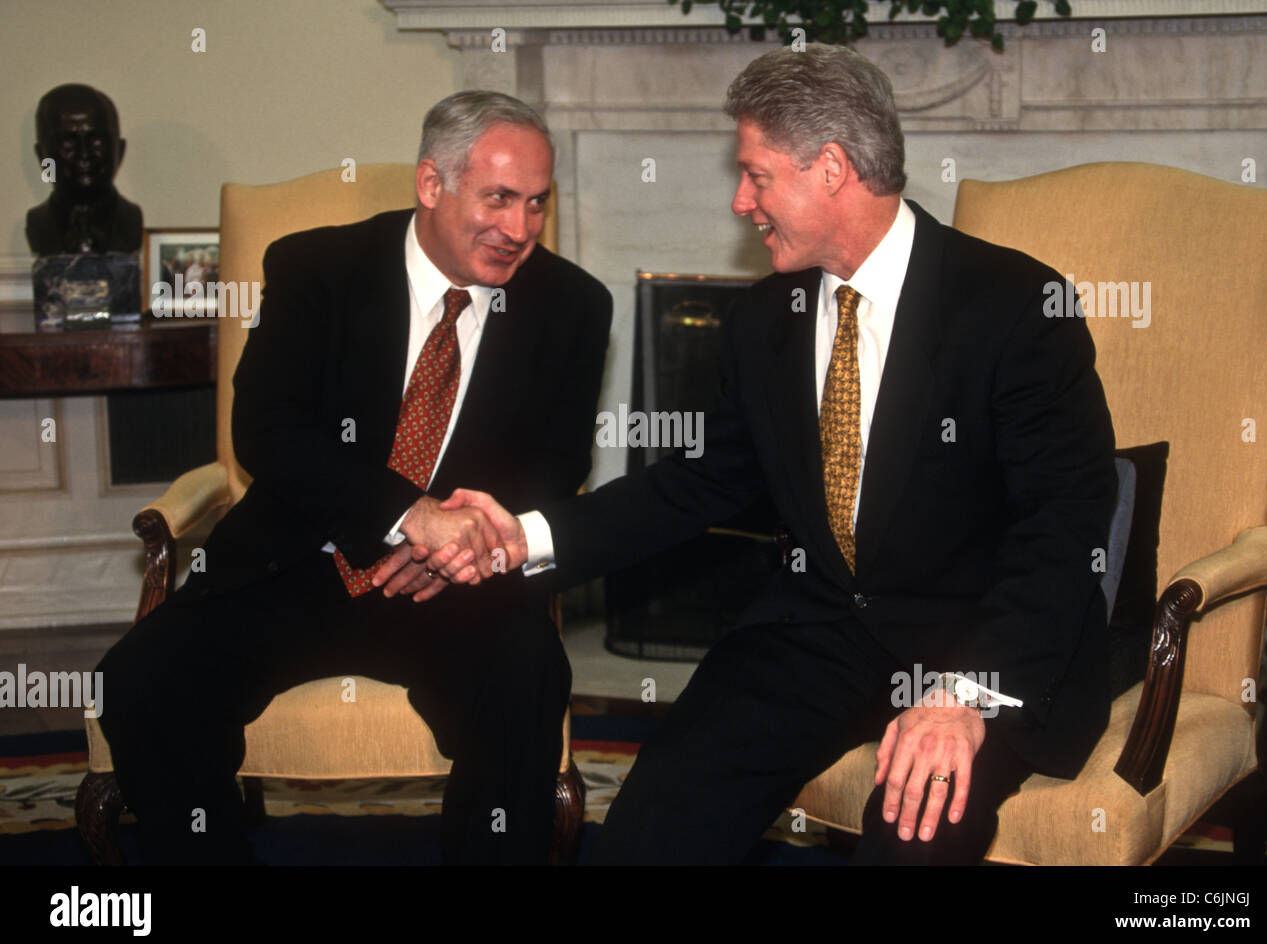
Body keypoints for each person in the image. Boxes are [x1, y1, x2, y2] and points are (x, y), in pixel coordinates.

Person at [403, 45, 1118, 864]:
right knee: (651, 829)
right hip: (816, 635)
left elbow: (1063, 531)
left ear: (832, 169)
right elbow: (699, 483)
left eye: (757, 175)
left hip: (977, 644)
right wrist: (519, 536)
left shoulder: (1016, 308)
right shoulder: (763, 320)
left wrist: (964, 696)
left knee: (911, 838)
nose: (741, 201)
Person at [96, 91, 612, 865]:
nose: (520, 229)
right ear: (431, 184)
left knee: (527, 678)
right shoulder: (317, 268)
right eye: (499, 198)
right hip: (297, 560)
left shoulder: (572, 305)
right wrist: (408, 516)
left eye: (537, 204)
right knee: (140, 682)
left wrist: (460, 549)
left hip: (455, 591)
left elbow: (555, 468)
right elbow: (266, 431)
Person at [26, 83, 143, 256]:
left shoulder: (131, 221)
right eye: (68, 142)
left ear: (120, 149)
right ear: (42, 157)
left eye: (96, 140)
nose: (84, 153)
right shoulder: (38, 223)